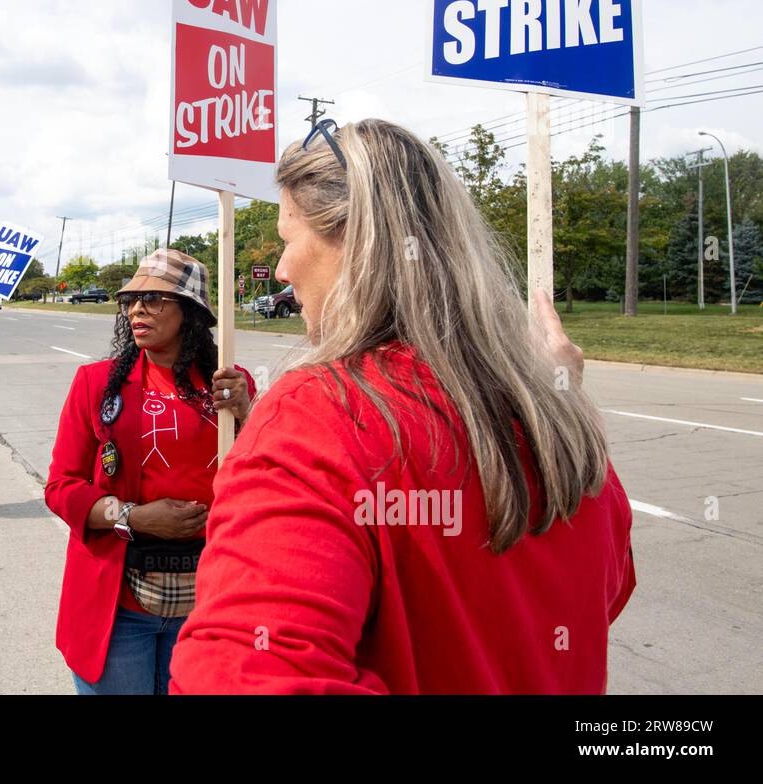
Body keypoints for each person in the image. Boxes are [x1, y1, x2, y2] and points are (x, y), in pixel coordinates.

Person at [169, 118, 636, 694]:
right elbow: (601, 595)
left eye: (289, 238)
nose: (284, 272)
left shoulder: (316, 417)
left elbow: (246, 677)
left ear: (351, 241)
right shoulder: (560, 424)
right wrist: (558, 392)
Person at [45, 248, 256, 694]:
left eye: (156, 298)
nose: (138, 308)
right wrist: (132, 517)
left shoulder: (230, 387)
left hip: (208, 601)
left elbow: (263, 479)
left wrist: (247, 413)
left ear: (192, 312)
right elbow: (62, 487)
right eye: (131, 300)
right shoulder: (96, 384)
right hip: (118, 608)